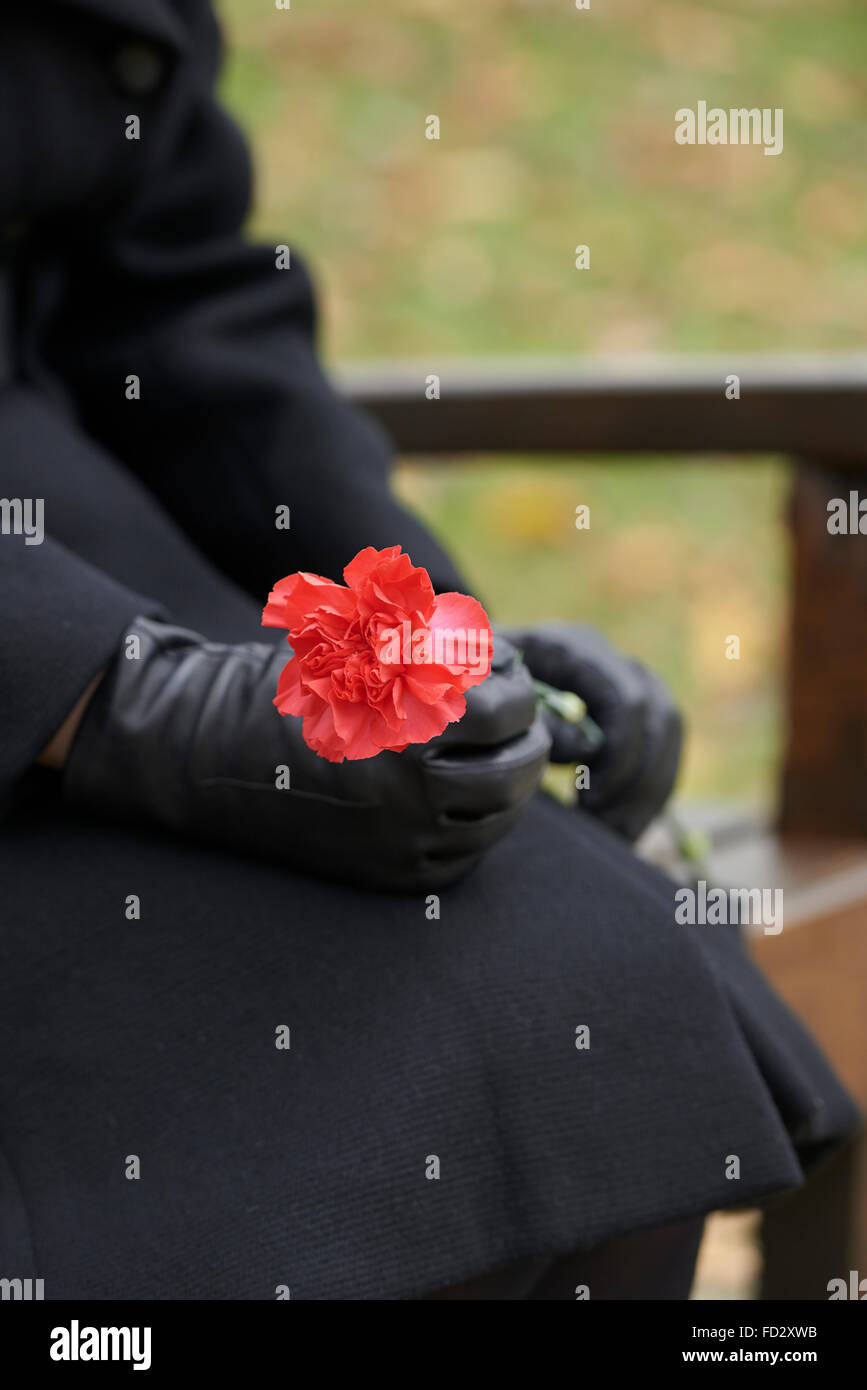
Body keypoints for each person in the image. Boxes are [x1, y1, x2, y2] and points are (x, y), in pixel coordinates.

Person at [0, 0, 857, 1300]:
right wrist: (130, 705)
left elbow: (165, 309)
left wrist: (440, 647)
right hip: (40, 673)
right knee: (419, 1047)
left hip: (92, 536)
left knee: (605, 982)